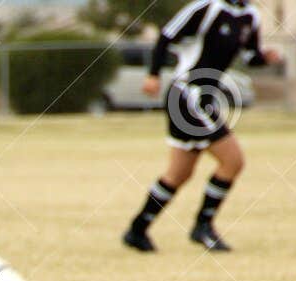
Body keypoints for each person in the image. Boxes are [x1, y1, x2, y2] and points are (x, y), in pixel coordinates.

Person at [121, 0, 282, 253]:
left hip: (204, 98)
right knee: (233, 161)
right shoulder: (207, 8)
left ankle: (137, 229)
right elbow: (166, 35)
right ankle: (203, 226)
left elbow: (250, 56)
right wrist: (153, 75)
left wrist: (265, 57)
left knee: (178, 174)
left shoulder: (250, 15)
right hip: (186, 94)